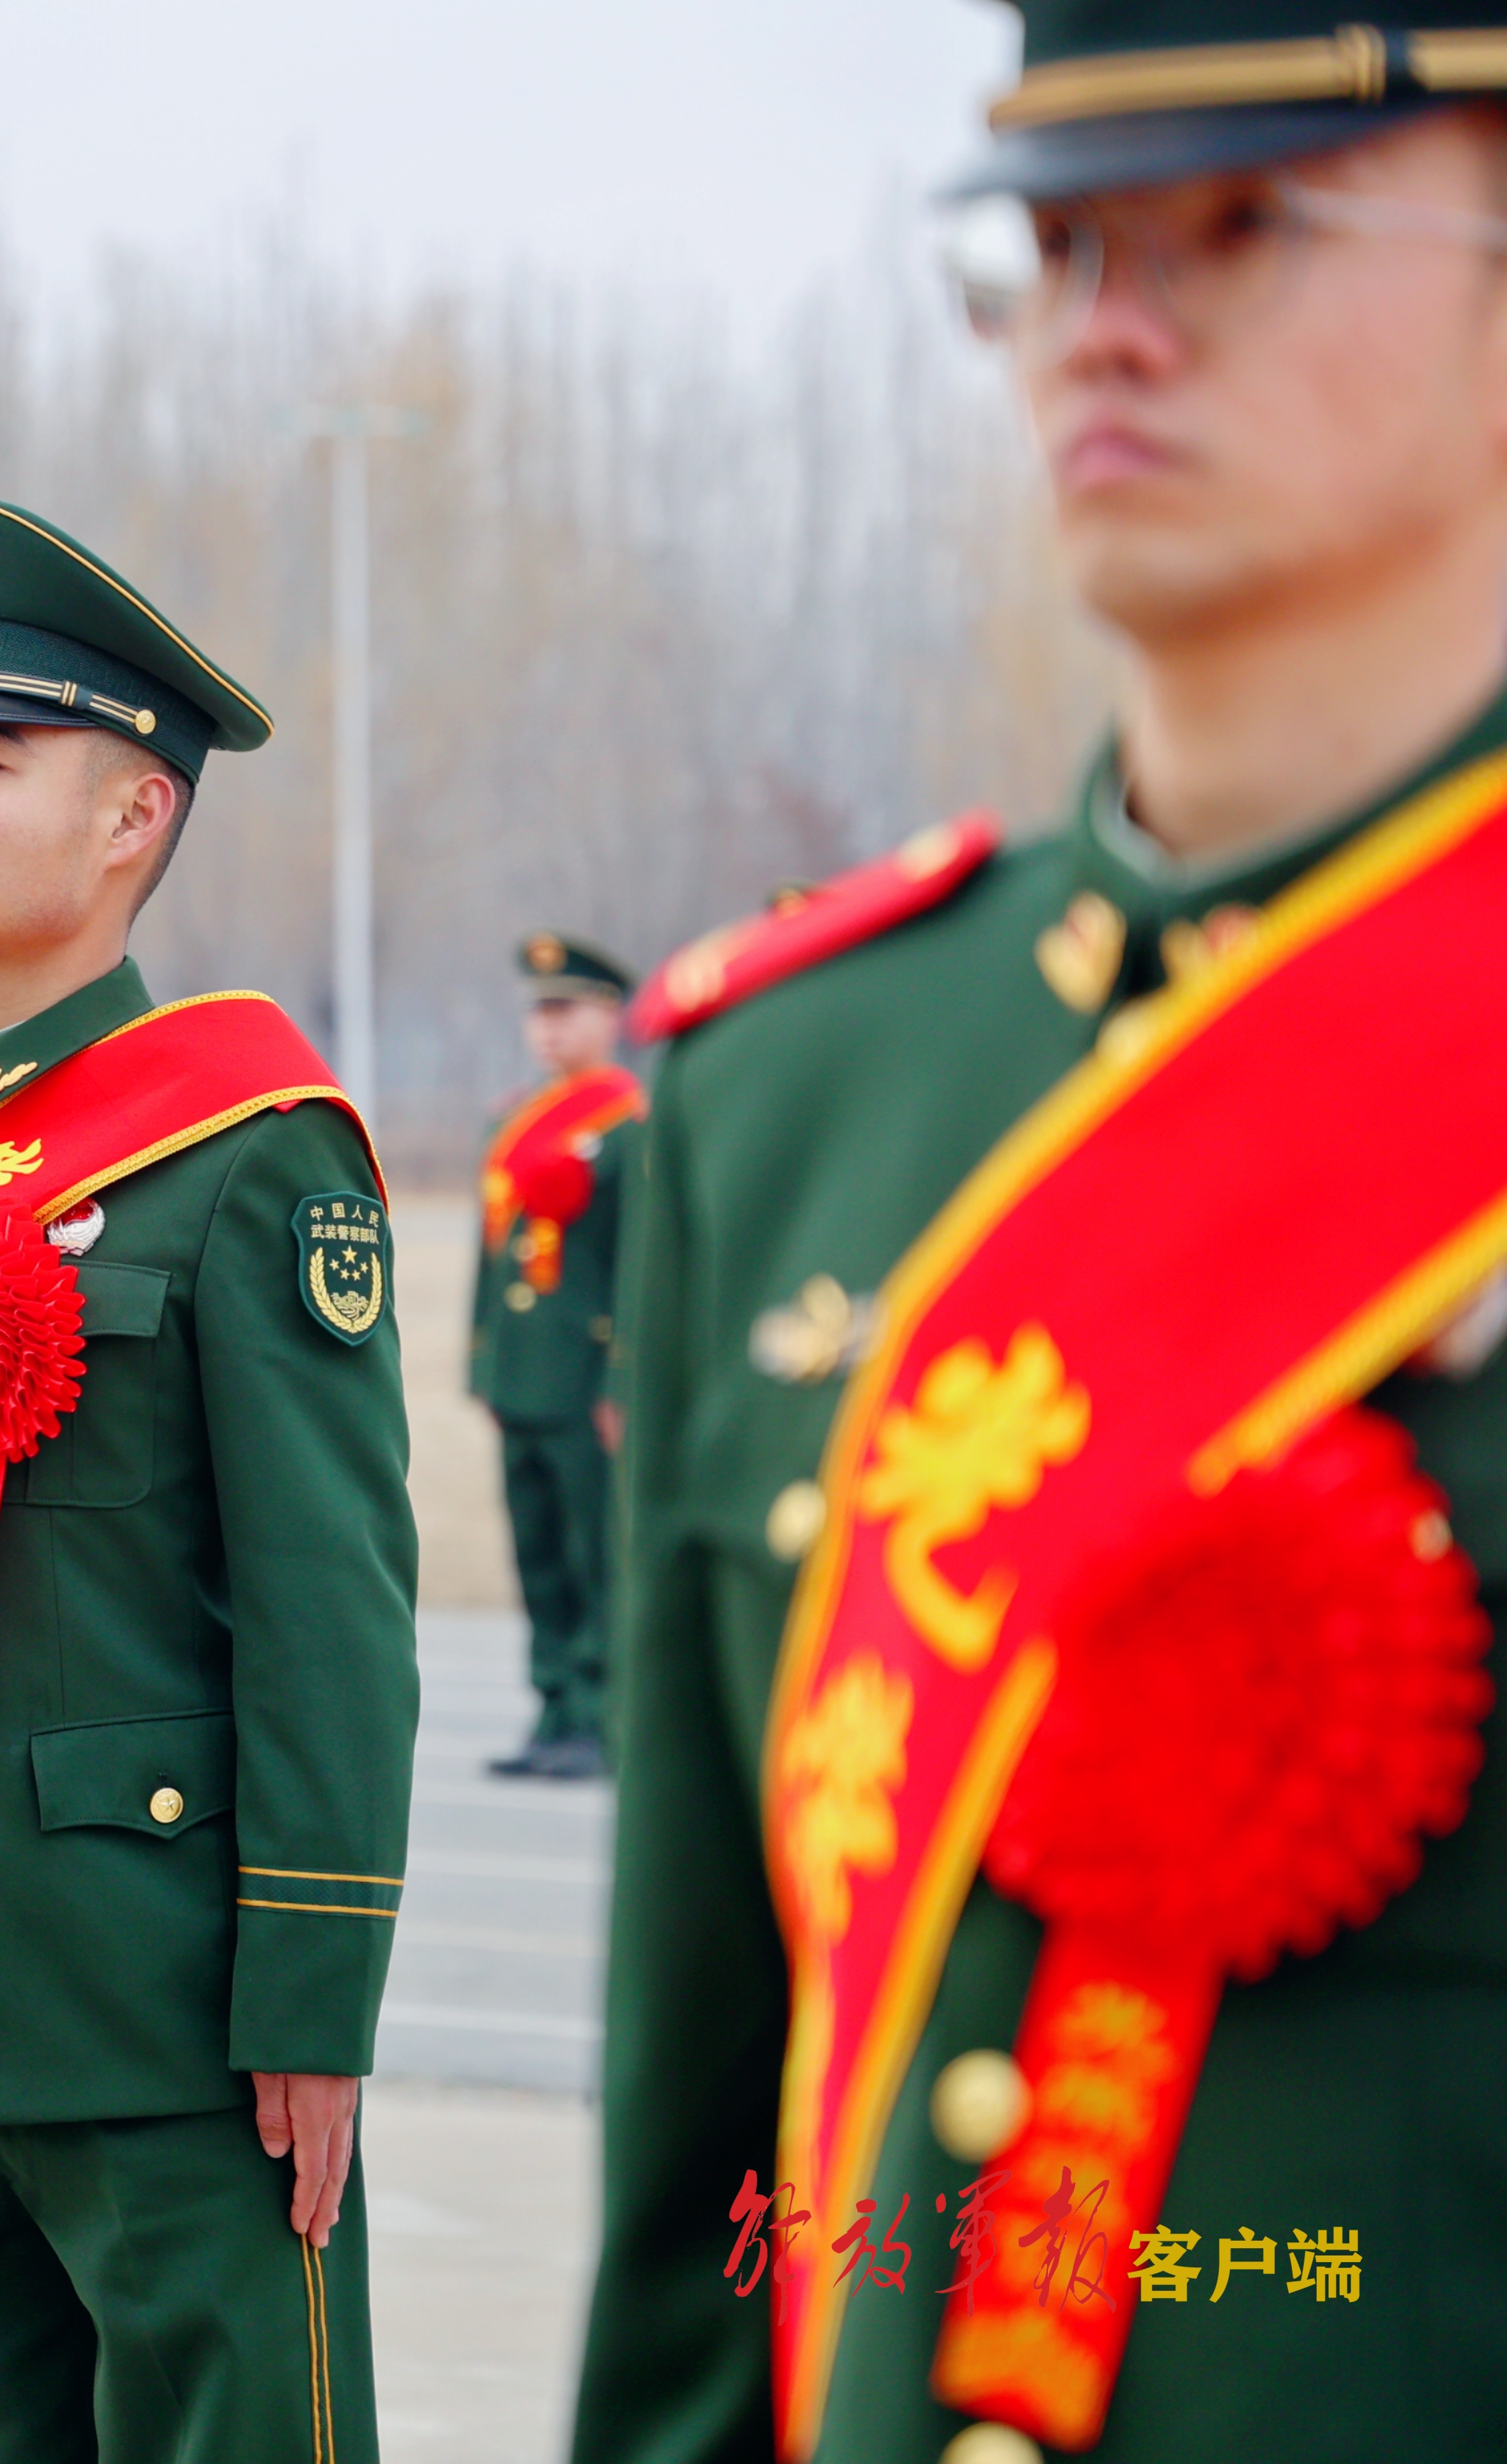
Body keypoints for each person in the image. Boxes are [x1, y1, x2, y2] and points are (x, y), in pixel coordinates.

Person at [576, 21, 1507, 2462]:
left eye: (1237, 225)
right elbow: (713, 2172)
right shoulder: (793, 1091)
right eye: (1058, 243)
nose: (1104, 320)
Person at [0, 500, 414, 2463]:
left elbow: (330, 1607)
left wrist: (312, 1990)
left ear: (134, 815)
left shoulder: (244, 1149)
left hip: (168, 2023)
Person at [468, 932, 644, 1782]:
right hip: (523, 1374)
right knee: (538, 1551)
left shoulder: (629, 1128)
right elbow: (493, 1251)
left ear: (610, 1017)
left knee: (594, 1552)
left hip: (586, 1378)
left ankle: (603, 1713)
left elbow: (642, 1265)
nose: (549, 1028)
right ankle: (552, 1707)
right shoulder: (514, 1120)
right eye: (539, 1011)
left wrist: (624, 1379)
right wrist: (483, 1361)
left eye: (566, 1009)